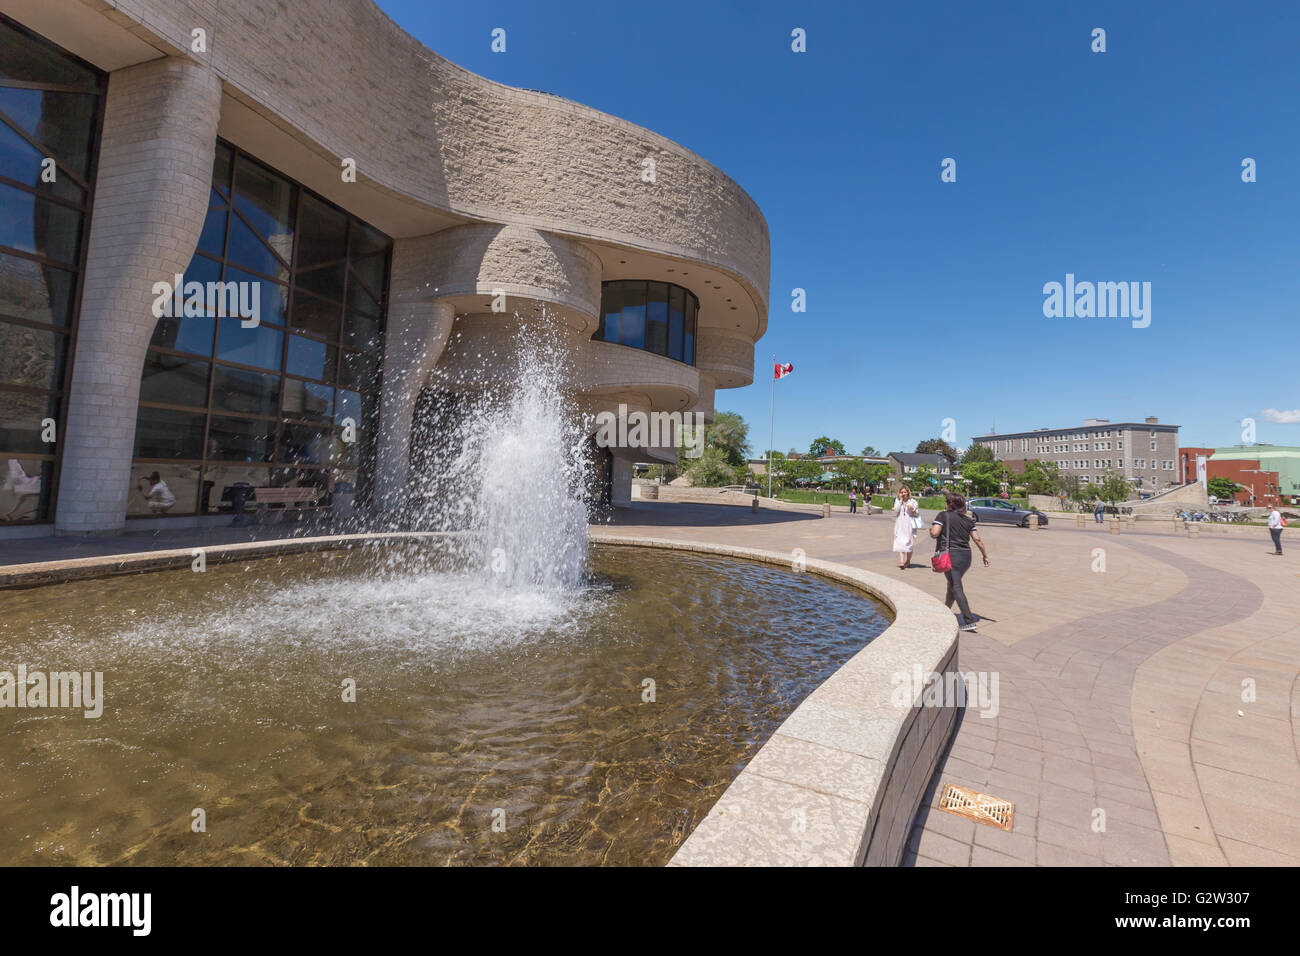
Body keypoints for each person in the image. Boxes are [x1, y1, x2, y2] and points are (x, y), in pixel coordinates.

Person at [930, 492, 990, 631]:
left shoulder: (943, 515)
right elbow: (977, 539)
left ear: (949, 504)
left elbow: (935, 533)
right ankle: (945, 610)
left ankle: (968, 620)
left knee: (956, 586)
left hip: (951, 555)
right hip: (966, 556)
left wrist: (930, 531)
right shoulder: (969, 520)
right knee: (952, 583)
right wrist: (984, 555)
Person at [892, 485, 920, 568]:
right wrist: (900, 500)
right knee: (900, 542)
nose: (903, 494)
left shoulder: (913, 501)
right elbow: (896, 510)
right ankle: (901, 562)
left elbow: (917, 514)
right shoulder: (897, 501)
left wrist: (912, 509)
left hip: (909, 525)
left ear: (908, 492)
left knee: (909, 543)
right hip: (900, 524)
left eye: (904, 492)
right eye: (901, 492)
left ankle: (908, 561)